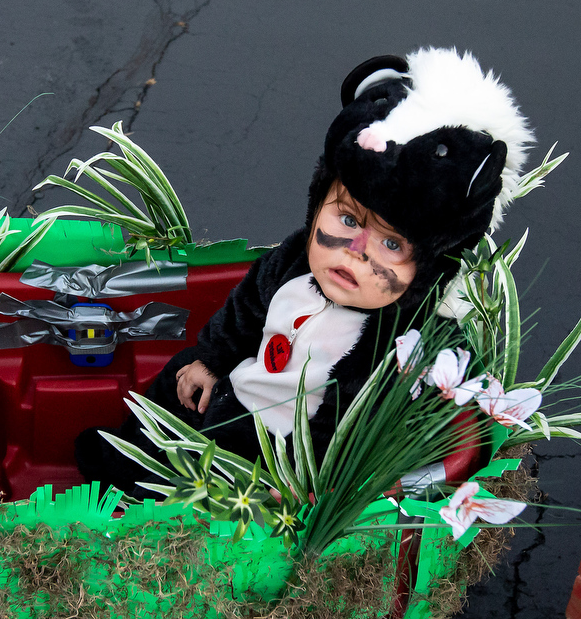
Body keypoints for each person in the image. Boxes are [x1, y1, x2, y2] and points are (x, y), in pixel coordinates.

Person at [76, 47, 533, 496]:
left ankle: (149, 499)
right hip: (236, 386)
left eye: (391, 243)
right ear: (318, 205)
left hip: (276, 448)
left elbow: (345, 423)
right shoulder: (294, 259)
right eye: (349, 220)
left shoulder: (395, 339)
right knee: (178, 377)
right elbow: (247, 307)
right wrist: (212, 358)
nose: (355, 252)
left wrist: (302, 482)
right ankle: (131, 452)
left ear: (429, 265)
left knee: (207, 474)